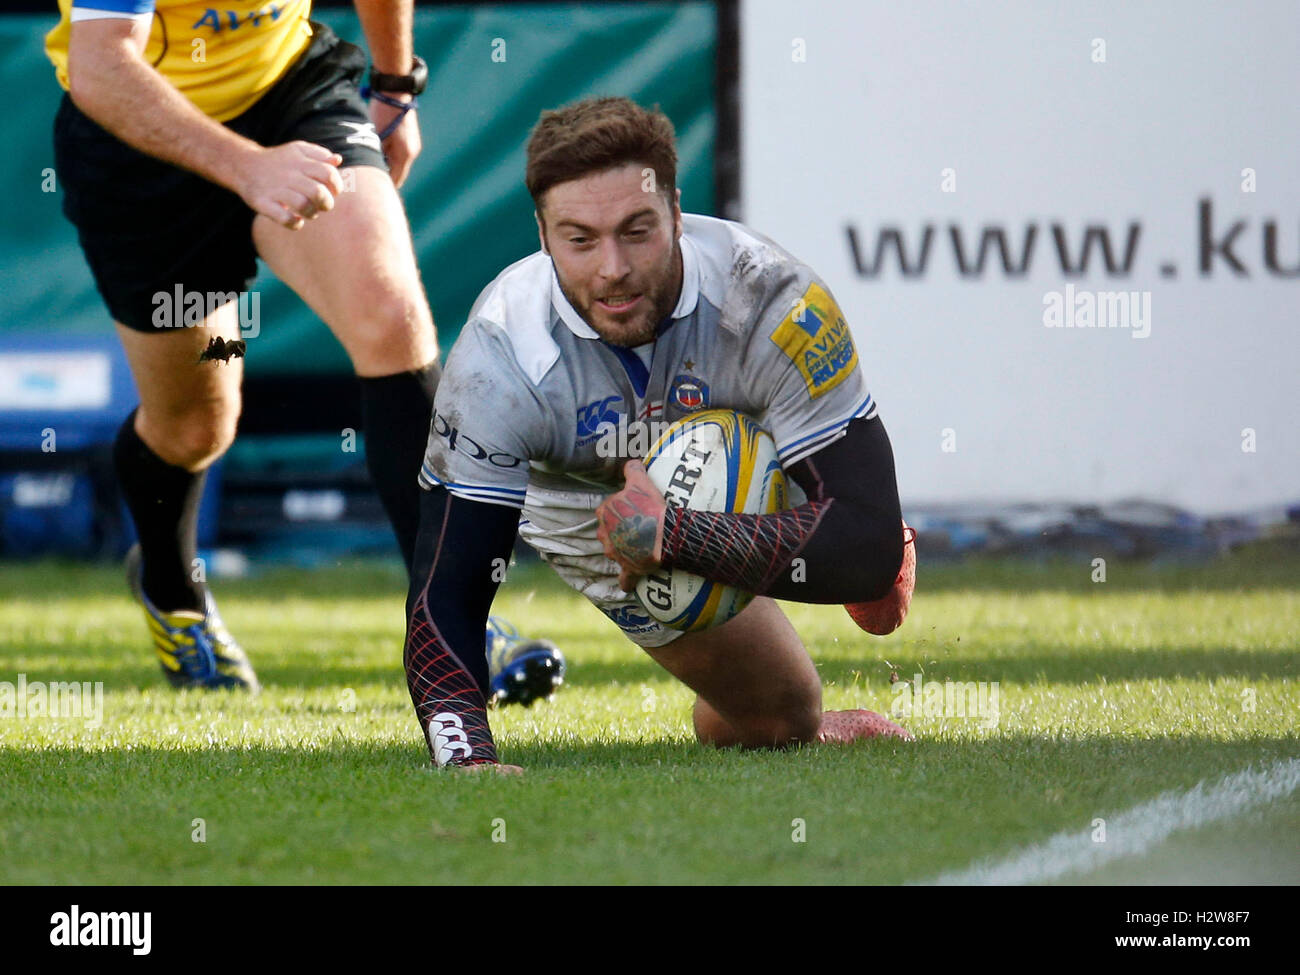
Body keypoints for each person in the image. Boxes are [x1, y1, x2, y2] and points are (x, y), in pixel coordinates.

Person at [45, 0, 562, 699]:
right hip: (142, 144)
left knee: (391, 320)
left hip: (291, 93)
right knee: (195, 426)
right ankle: (172, 593)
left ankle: (453, 625)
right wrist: (250, 168)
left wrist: (393, 88)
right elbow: (100, 65)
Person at [405, 96, 917, 772]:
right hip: (584, 503)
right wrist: (465, 757)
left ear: (678, 213)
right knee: (782, 718)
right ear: (542, 233)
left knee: (868, 561)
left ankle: (784, 506)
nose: (611, 268)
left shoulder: (771, 301)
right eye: (580, 239)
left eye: (637, 230)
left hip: (748, 445)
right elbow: (447, 591)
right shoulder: (498, 359)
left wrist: (675, 534)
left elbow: (868, 545)